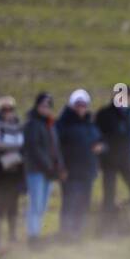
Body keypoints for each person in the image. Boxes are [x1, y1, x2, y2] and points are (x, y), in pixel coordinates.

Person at [56, 88, 104, 240]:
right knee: (70, 203)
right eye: (78, 104)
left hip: (87, 172)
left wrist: (101, 147)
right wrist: (61, 168)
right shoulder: (63, 124)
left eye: (83, 105)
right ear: (72, 105)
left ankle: (78, 233)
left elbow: (101, 141)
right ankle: (66, 233)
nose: (81, 108)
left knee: (84, 204)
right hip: (70, 172)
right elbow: (56, 148)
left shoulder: (90, 124)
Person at [21, 91, 64, 243]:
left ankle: (36, 233)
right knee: (36, 204)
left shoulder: (50, 125)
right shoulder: (32, 124)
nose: (46, 108)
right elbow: (34, 148)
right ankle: (33, 237)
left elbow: (55, 148)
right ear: (37, 106)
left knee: (43, 206)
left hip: (49, 172)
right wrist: (48, 166)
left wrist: (59, 166)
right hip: (36, 171)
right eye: (43, 105)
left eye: (48, 106)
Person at [94, 87, 130, 233]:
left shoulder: (128, 114)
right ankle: (107, 227)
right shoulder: (104, 114)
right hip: (109, 161)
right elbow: (97, 135)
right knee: (109, 195)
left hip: (126, 160)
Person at [0, 95, 25, 245]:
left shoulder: (17, 123)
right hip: (1, 166)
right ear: (0, 110)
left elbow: (23, 141)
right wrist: (15, 147)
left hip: (16, 166)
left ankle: (12, 235)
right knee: (1, 200)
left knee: (14, 201)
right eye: (4, 109)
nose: (8, 111)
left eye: (10, 109)